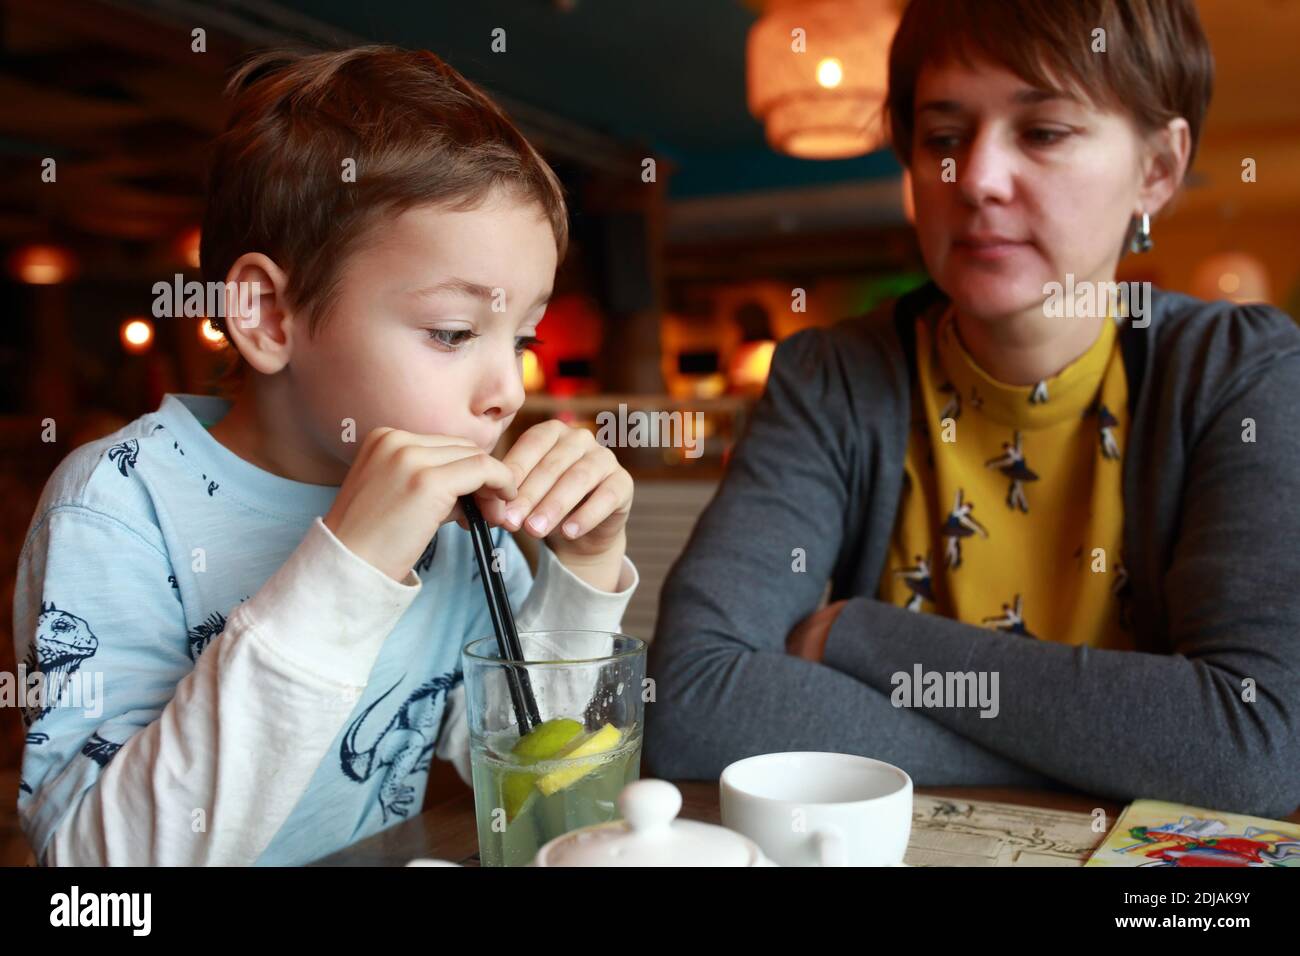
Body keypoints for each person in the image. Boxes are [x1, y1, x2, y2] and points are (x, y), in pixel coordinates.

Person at [646, 0, 1300, 818]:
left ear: (1158, 170)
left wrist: (855, 633)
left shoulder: (1238, 373)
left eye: (1044, 132)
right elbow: (686, 701)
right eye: (943, 138)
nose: (977, 179)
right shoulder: (831, 378)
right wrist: (1124, 757)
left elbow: (1258, 747)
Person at [13, 46, 638, 865]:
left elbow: (519, 751)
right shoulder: (119, 507)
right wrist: (350, 568)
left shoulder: (457, 522)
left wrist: (585, 569)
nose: (509, 391)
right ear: (268, 316)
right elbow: (94, 879)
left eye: (521, 338)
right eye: (452, 333)